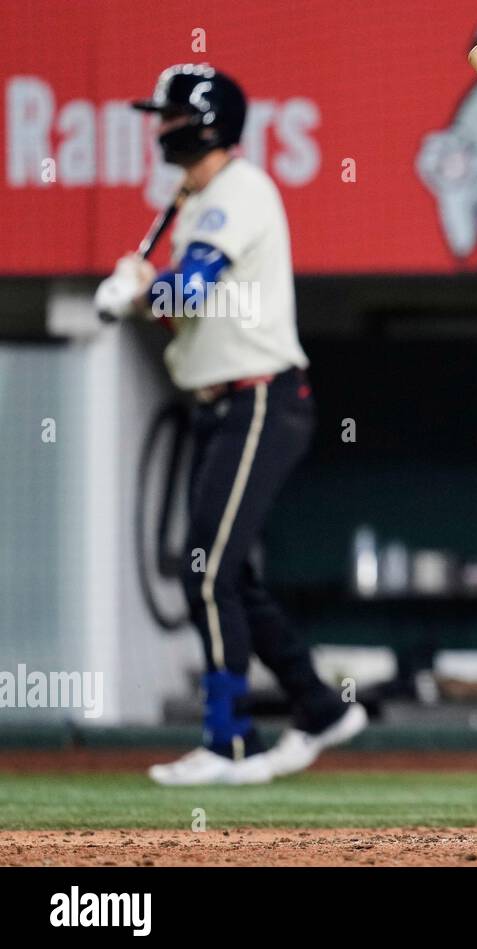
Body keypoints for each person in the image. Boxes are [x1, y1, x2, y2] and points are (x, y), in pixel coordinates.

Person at [94, 64, 365, 784]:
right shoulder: (203, 196)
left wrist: (136, 289)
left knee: (206, 571)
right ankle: (320, 707)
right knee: (228, 578)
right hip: (224, 406)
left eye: (170, 116)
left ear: (203, 124)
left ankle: (228, 739)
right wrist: (144, 289)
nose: (159, 129)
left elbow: (185, 292)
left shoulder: (237, 192)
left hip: (259, 400)